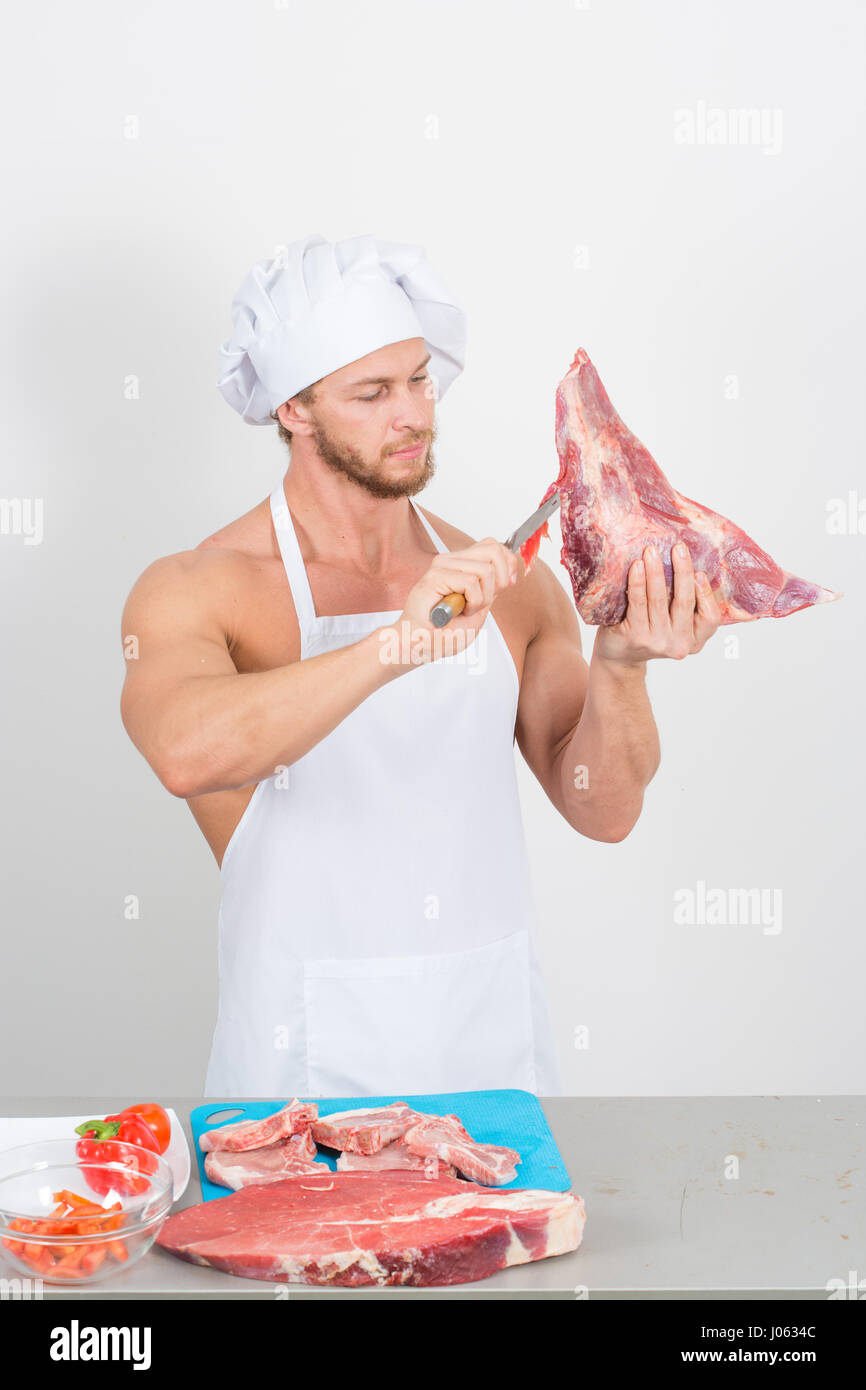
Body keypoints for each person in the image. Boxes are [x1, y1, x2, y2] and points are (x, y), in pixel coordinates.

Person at [120, 233, 721, 1099]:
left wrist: (621, 669)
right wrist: (395, 645)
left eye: (418, 379)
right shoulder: (196, 589)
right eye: (371, 393)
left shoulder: (510, 583)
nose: (413, 414)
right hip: (297, 1065)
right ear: (294, 408)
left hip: (489, 1048)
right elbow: (187, 751)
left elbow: (605, 810)